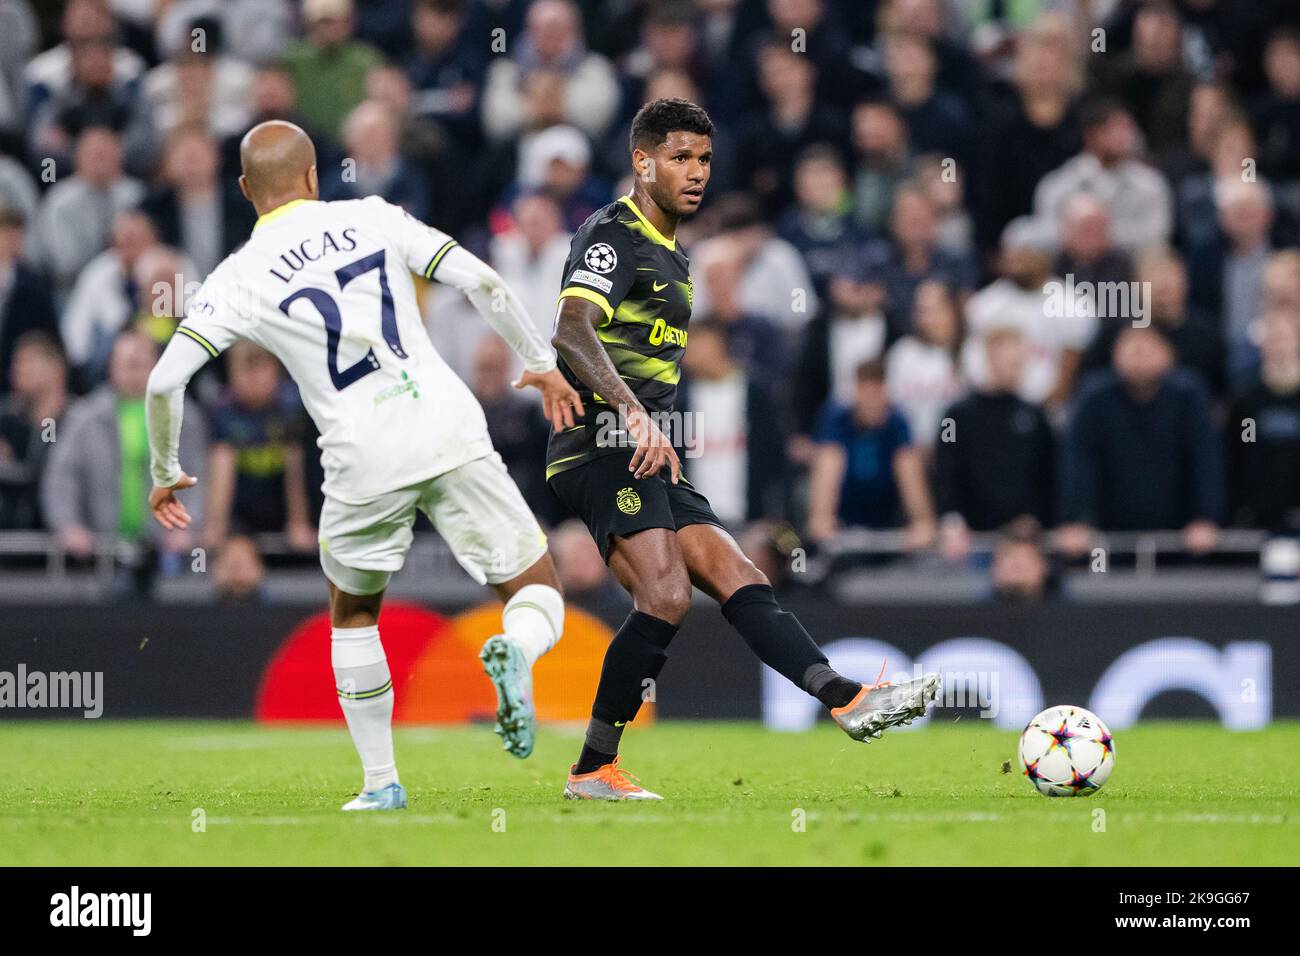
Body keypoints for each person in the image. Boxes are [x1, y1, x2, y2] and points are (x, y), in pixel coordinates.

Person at [144, 120, 584, 811]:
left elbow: (164, 383)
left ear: (243, 190)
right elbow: (485, 282)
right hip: (446, 422)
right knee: (538, 588)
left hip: (360, 454)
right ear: (315, 177)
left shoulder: (236, 276)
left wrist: (167, 469)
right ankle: (517, 654)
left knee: (352, 614)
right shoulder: (373, 216)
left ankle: (381, 784)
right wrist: (541, 365)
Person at [547, 99, 939, 800]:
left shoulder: (677, 256)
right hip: (600, 442)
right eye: (679, 158)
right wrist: (632, 411)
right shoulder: (612, 234)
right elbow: (572, 328)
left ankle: (847, 700)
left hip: (649, 448)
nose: (695, 173)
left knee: (738, 572)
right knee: (665, 594)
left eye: (703, 160)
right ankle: (592, 769)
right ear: (643, 162)